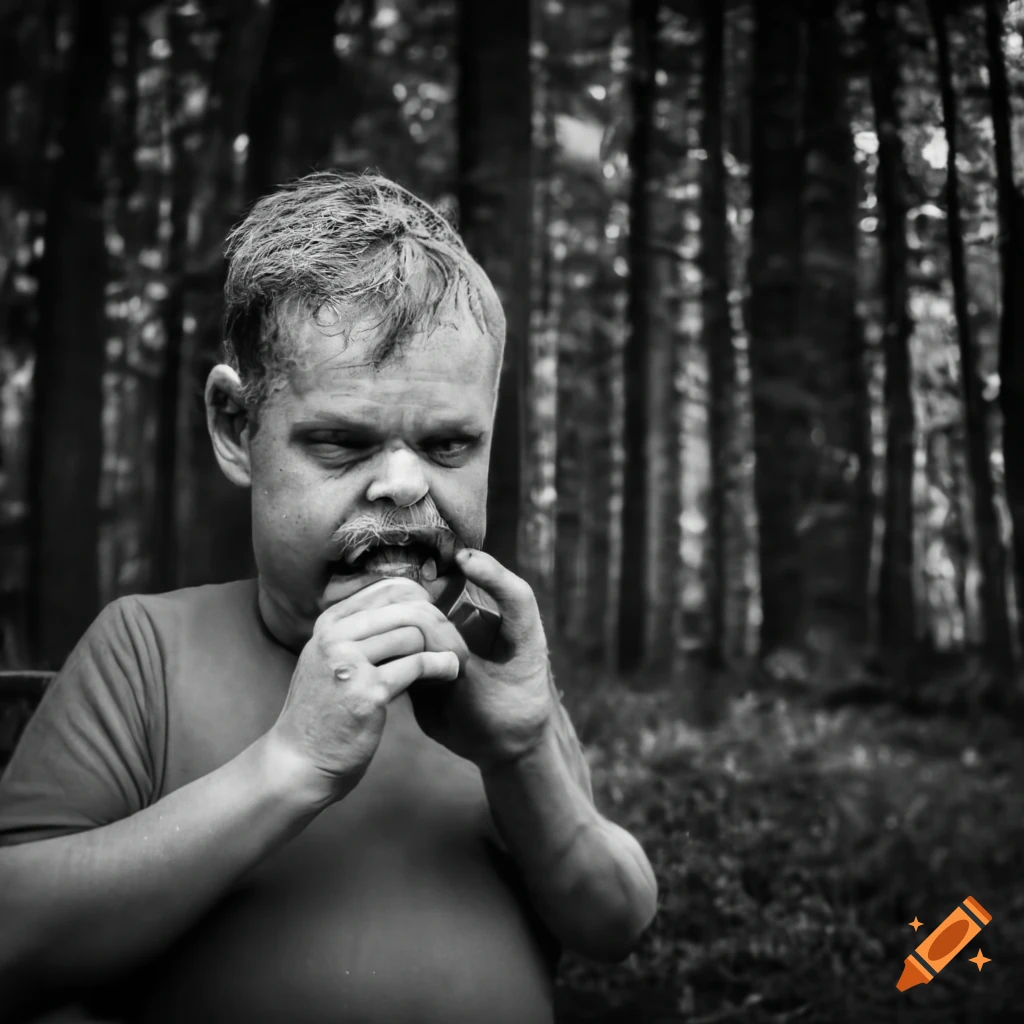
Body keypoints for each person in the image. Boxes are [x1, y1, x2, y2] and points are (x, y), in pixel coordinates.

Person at [0, 172, 658, 1024]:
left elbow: (616, 920)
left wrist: (524, 751)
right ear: (238, 428)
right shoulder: (147, 653)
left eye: (449, 443)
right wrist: (289, 767)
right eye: (342, 443)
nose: (401, 485)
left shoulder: (485, 662)